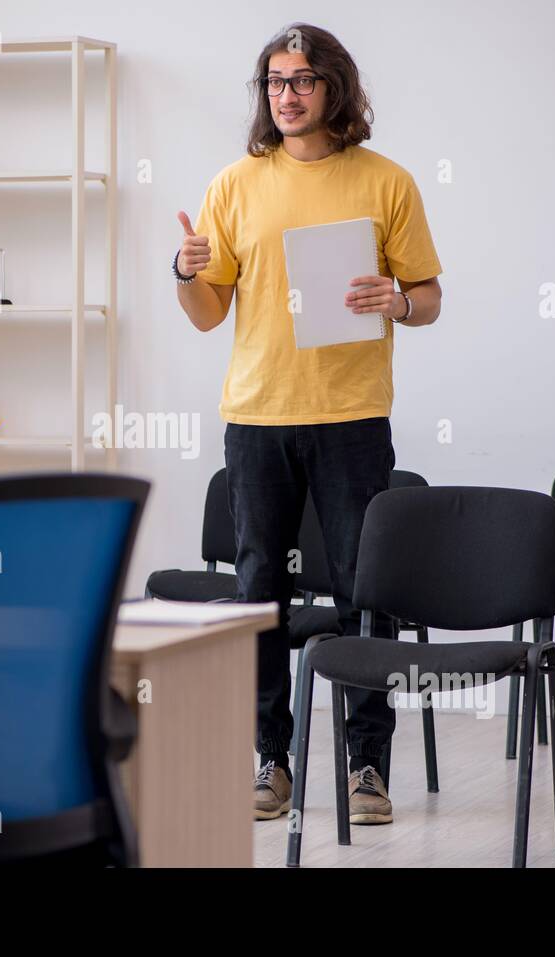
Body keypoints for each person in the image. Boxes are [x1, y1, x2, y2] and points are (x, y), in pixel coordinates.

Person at [173, 22, 443, 825]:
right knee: (260, 592)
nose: (285, 95)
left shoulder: (385, 181)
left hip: (353, 418)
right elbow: (205, 313)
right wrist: (185, 272)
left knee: (368, 589)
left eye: (300, 80)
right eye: (274, 82)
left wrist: (395, 300)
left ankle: (367, 767)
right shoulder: (234, 184)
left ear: (334, 87)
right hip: (257, 418)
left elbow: (427, 296)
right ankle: (270, 760)